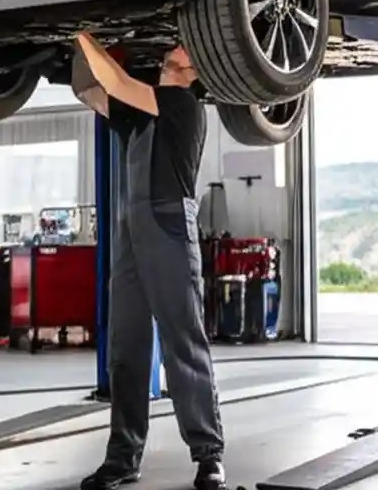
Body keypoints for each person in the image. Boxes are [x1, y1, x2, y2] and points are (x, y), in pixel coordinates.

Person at [69, 32, 227, 490]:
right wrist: (71, 49)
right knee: (126, 349)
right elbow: (93, 92)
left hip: (168, 226)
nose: (177, 43)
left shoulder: (183, 105)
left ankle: (209, 455)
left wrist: (85, 32)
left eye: (186, 45)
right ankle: (122, 459)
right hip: (131, 233)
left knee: (183, 344)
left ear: (193, 70)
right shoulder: (139, 115)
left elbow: (116, 82)